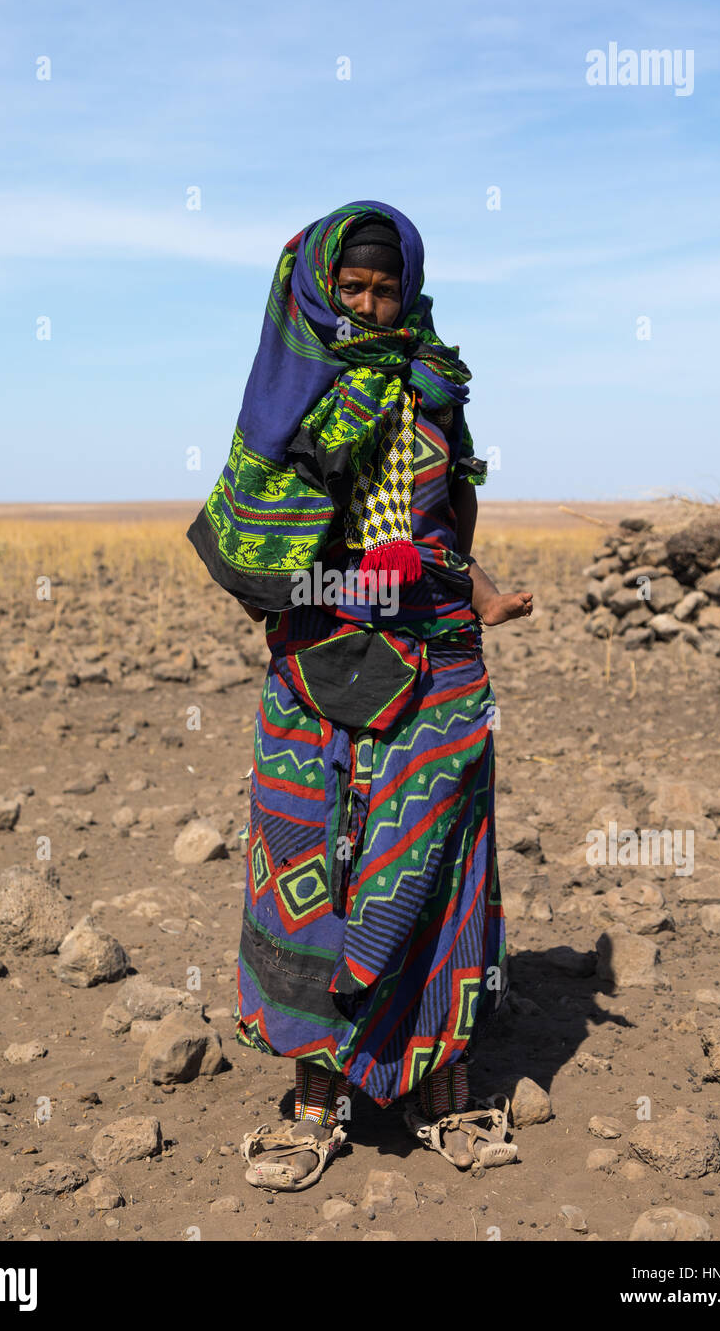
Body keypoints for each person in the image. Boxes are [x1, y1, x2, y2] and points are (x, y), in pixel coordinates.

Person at [188, 199, 533, 1191]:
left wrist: (485, 591)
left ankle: (445, 1087)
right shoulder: (293, 396)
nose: (374, 303)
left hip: (438, 658)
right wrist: (327, 599)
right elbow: (260, 544)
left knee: (435, 862)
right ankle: (312, 1102)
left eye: (390, 288)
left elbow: (448, 518)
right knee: (304, 857)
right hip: (320, 662)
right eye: (356, 287)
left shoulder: (435, 384)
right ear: (322, 288)